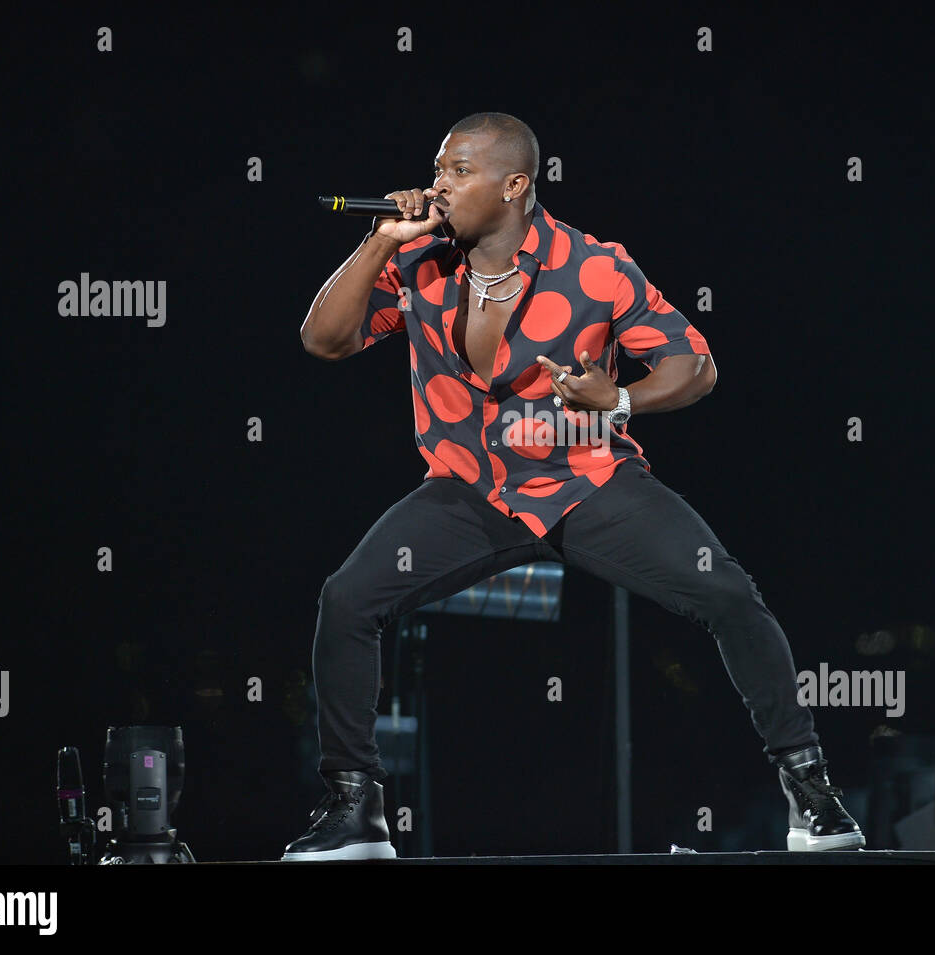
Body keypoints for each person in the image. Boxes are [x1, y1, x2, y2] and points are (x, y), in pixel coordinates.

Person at [285, 112, 864, 859]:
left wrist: (620, 402)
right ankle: (355, 809)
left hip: (583, 480)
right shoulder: (422, 260)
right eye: (438, 168)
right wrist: (379, 242)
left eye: (459, 170)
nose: (438, 184)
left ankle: (809, 792)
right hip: (470, 488)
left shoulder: (593, 266)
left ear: (515, 184)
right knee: (347, 598)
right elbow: (323, 339)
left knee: (724, 591)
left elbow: (696, 364)